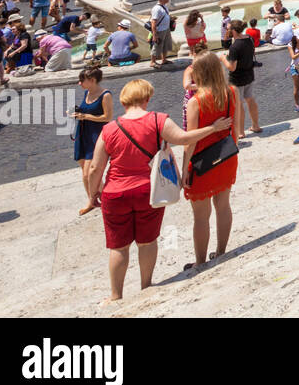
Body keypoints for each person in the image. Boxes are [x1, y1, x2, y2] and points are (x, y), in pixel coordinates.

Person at [84, 78, 232, 303]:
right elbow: (183, 138)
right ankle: (146, 286)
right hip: (148, 192)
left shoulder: (109, 129)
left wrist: (93, 193)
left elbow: (95, 167)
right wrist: (213, 128)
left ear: (124, 102)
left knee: (118, 247)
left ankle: (115, 296)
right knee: (147, 241)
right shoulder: (158, 120)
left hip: (115, 193)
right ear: (147, 98)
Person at [181, 52, 245, 272]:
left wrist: (183, 171)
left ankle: (200, 262)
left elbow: (190, 141)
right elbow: (235, 129)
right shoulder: (232, 92)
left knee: (201, 216)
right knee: (223, 206)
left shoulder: (195, 102)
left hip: (200, 163)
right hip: (226, 156)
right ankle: (221, 251)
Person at [71, 66, 112, 212]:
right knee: (84, 171)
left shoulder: (105, 95)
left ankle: (95, 200)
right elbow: (87, 110)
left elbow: (107, 117)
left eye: (82, 80)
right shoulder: (87, 93)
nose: (79, 83)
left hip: (97, 136)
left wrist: (85, 116)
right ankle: (95, 199)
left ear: (92, 80)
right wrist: (77, 113)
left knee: (89, 174)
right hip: (83, 134)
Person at [225, 19, 262, 135]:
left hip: (237, 79)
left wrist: (223, 59)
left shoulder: (234, 47)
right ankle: (256, 126)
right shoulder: (249, 38)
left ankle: (240, 132)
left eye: (229, 28)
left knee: (239, 104)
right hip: (249, 74)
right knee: (250, 99)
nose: (228, 30)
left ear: (234, 31)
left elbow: (232, 67)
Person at [147, 0, 174, 69]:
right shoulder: (157, 9)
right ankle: (152, 62)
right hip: (160, 30)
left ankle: (164, 59)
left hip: (165, 29)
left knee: (165, 44)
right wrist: (155, 34)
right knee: (157, 46)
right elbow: (153, 22)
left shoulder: (164, 6)